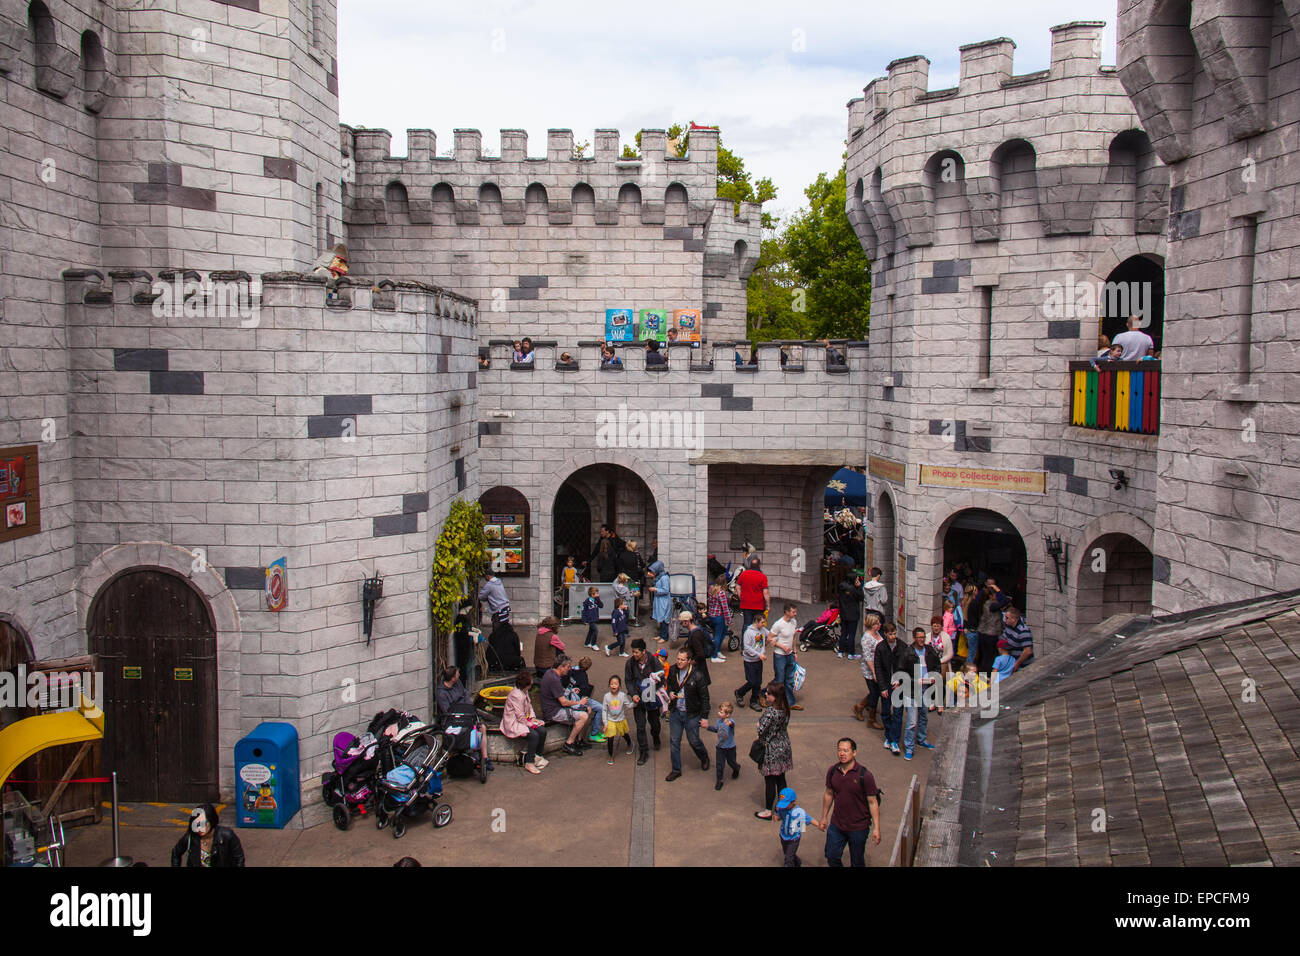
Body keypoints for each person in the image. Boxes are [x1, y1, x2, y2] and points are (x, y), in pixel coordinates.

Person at [819, 738, 881, 867]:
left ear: (854, 753)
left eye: (846, 750)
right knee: (831, 856)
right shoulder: (832, 771)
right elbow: (829, 794)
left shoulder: (865, 775)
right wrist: (824, 817)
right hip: (837, 825)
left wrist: (876, 828)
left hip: (858, 827)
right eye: (840, 750)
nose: (842, 753)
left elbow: (872, 802)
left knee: (857, 862)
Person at [435, 665, 493, 772]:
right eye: (457, 674)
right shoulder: (441, 693)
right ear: (452, 678)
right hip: (453, 719)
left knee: (482, 728)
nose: (459, 675)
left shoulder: (458, 683)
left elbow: (465, 695)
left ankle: (485, 758)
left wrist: (469, 709)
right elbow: (446, 710)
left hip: (467, 715)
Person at [664, 648, 710, 781]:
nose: (679, 662)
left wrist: (705, 716)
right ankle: (676, 769)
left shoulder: (697, 675)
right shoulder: (673, 671)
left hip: (692, 714)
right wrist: (670, 693)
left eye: (682, 660)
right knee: (674, 741)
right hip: (676, 712)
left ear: (689, 661)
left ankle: (704, 756)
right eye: (678, 659)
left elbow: (705, 697)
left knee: (694, 741)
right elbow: (669, 686)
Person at [753, 682, 794, 819]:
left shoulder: (771, 712)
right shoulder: (785, 709)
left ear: (775, 697)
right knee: (781, 778)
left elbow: (761, 729)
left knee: (770, 780)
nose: (766, 694)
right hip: (784, 746)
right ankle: (782, 807)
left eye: (769, 693)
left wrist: (758, 725)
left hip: (771, 749)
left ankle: (768, 810)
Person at [899, 627, 940, 760]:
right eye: (919, 637)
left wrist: (935, 676)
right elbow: (901, 673)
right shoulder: (908, 652)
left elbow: (937, 665)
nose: (922, 640)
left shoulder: (929, 650)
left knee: (924, 716)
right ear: (914, 638)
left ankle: (921, 739)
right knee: (912, 721)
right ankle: (909, 747)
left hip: (926, 689)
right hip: (912, 691)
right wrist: (916, 681)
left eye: (923, 637)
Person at [539, 655, 592, 757]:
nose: (569, 669)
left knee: (587, 710)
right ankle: (569, 743)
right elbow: (563, 702)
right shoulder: (554, 679)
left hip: (553, 706)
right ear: (561, 667)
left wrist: (570, 690)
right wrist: (579, 702)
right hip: (554, 711)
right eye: (568, 667)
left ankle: (579, 740)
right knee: (584, 715)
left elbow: (558, 690)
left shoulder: (550, 673)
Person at [501, 670, 549, 774]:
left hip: (524, 720)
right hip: (514, 722)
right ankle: (529, 762)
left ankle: (538, 756)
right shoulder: (516, 695)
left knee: (542, 731)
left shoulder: (524, 691)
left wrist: (533, 718)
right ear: (526, 685)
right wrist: (530, 724)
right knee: (534, 735)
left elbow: (529, 705)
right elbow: (519, 716)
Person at [625, 639, 662, 764]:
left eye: (636, 652)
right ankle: (643, 752)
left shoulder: (653, 661)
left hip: (651, 697)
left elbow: (661, 678)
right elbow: (628, 680)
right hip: (639, 699)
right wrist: (634, 693)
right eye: (633, 652)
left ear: (643, 651)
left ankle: (656, 736)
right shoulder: (630, 663)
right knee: (640, 726)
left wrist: (652, 687)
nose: (634, 654)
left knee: (655, 723)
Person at [171, 804, 245, 867]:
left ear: (212, 821)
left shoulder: (227, 835)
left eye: (203, 823)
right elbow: (176, 853)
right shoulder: (190, 837)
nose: (199, 828)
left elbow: (239, 859)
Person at [874, 622, 905, 755]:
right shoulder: (880, 648)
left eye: (894, 634)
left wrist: (901, 680)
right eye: (890, 634)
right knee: (886, 712)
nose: (893, 636)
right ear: (885, 634)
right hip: (886, 685)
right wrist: (882, 687)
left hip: (898, 685)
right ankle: (889, 735)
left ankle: (894, 740)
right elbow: (878, 668)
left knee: (898, 713)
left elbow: (907, 666)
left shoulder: (903, 646)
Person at [775, 786, 822, 867]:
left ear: (793, 802)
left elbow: (809, 819)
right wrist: (777, 817)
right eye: (782, 804)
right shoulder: (782, 809)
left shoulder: (799, 812)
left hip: (793, 839)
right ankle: (797, 862)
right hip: (783, 835)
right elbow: (780, 815)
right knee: (787, 853)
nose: (784, 807)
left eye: (786, 804)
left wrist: (818, 825)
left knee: (788, 860)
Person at [768, 602, 802, 711]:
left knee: (789, 680)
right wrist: (781, 646)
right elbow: (770, 638)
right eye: (793, 612)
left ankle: (790, 702)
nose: (795, 614)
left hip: (790, 655)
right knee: (779, 679)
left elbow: (793, 637)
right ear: (787, 612)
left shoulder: (793, 622)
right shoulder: (778, 624)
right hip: (780, 655)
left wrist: (795, 652)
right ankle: (767, 693)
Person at [852, 612, 884, 728]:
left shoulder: (877, 634)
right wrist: (874, 672)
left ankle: (860, 706)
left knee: (876, 692)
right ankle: (871, 719)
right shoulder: (866, 638)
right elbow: (868, 657)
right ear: (871, 624)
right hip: (870, 670)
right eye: (877, 623)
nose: (879, 625)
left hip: (879, 668)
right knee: (875, 693)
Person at [735, 609, 768, 712]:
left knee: (758, 682)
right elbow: (747, 648)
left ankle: (753, 701)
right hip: (750, 661)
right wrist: (759, 654)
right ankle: (739, 693)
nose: (763, 624)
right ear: (756, 622)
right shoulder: (748, 632)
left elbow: (769, 635)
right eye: (762, 622)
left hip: (758, 660)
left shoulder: (762, 630)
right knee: (752, 681)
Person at [566, 655, 605, 742]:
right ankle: (594, 733)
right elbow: (585, 691)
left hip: (570, 696)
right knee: (600, 708)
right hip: (578, 699)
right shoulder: (583, 676)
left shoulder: (571, 670)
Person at [704, 699, 741, 790]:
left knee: (731, 762)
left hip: (730, 748)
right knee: (720, 764)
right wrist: (707, 727)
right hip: (720, 747)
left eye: (721, 712)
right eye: (719, 711)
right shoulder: (719, 721)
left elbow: (732, 725)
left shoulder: (731, 721)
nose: (718, 713)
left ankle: (736, 768)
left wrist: (730, 723)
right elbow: (716, 729)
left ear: (727, 715)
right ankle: (719, 780)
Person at [974, 583, 1006, 676]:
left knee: (984, 656)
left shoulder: (983, 603)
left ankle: (983, 675)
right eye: (996, 594)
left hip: (983, 633)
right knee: (990, 657)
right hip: (990, 635)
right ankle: (987, 676)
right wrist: (999, 590)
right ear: (991, 596)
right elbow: (1005, 601)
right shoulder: (991, 605)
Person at [602, 675, 634, 764]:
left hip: (620, 719)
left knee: (623, 733)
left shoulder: (622, 695)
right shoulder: (606, 696)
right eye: (611, 684)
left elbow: (628, 705)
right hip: (610, 720)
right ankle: (611, 755)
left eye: (615, 684)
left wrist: (635, 703)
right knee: (610, 737)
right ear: (609, 685)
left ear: (619, 685)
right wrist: (605, 723)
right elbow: (604, 710)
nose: (613, 685)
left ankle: (629, 743)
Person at [928, 616, 954, 713]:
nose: (936, 628)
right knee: (930, 682)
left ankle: (940, 704)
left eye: (938, 626)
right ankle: (932, 702)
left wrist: (940, 661)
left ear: (941, 626)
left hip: (942, 662)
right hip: (930, 663)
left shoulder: (946, 637)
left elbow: (950, 654)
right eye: (934, 626)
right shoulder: (927, 636)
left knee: (940, 682)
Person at [737, 556, 770, 631]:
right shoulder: (762, 576)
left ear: (750, 565)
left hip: (746, 604)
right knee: (758, 625)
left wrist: (741, 597)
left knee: (746, 624)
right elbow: (766, 593)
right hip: (759, 605)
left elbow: (738, 587)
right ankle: (757, 642)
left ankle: (745, 642)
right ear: (759, 565)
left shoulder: (744, 574)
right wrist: (768, 605)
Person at [837, 567, 863, 659]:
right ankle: (851, 653)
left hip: (843, 613)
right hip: (853, 614)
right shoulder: (854, 589)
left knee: (844, 633)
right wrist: (859, 587)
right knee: (852, 634)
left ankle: (840, 651)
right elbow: (861, 597)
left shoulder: (841, 586)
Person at [1000, 605, 1034, 674]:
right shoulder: (1008, 626)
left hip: (1022, 667)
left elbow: (1028, 651)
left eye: (1007, 618)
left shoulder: (1023, 631)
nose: (1005, 619)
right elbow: (1004, 639)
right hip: (1011, 662)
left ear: (1014, 619)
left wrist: (1016, 664)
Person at [706, 576, 732, 662]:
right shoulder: (721, 593)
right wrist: (729, 620)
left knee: (723, 632)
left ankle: (717, 651)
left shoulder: (711, 589)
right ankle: (714, 656)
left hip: (711, 615)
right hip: (719, 617)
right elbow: (725, 607)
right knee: (718, 636)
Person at [648, 560, 671, 643]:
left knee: (664, 619)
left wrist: (655, 589)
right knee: (661, 618)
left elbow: (666, 590)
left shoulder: (664, 578)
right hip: (659, 599)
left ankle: (664, 637)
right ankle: (661, 635)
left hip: (663, 600)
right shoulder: (659, 577)